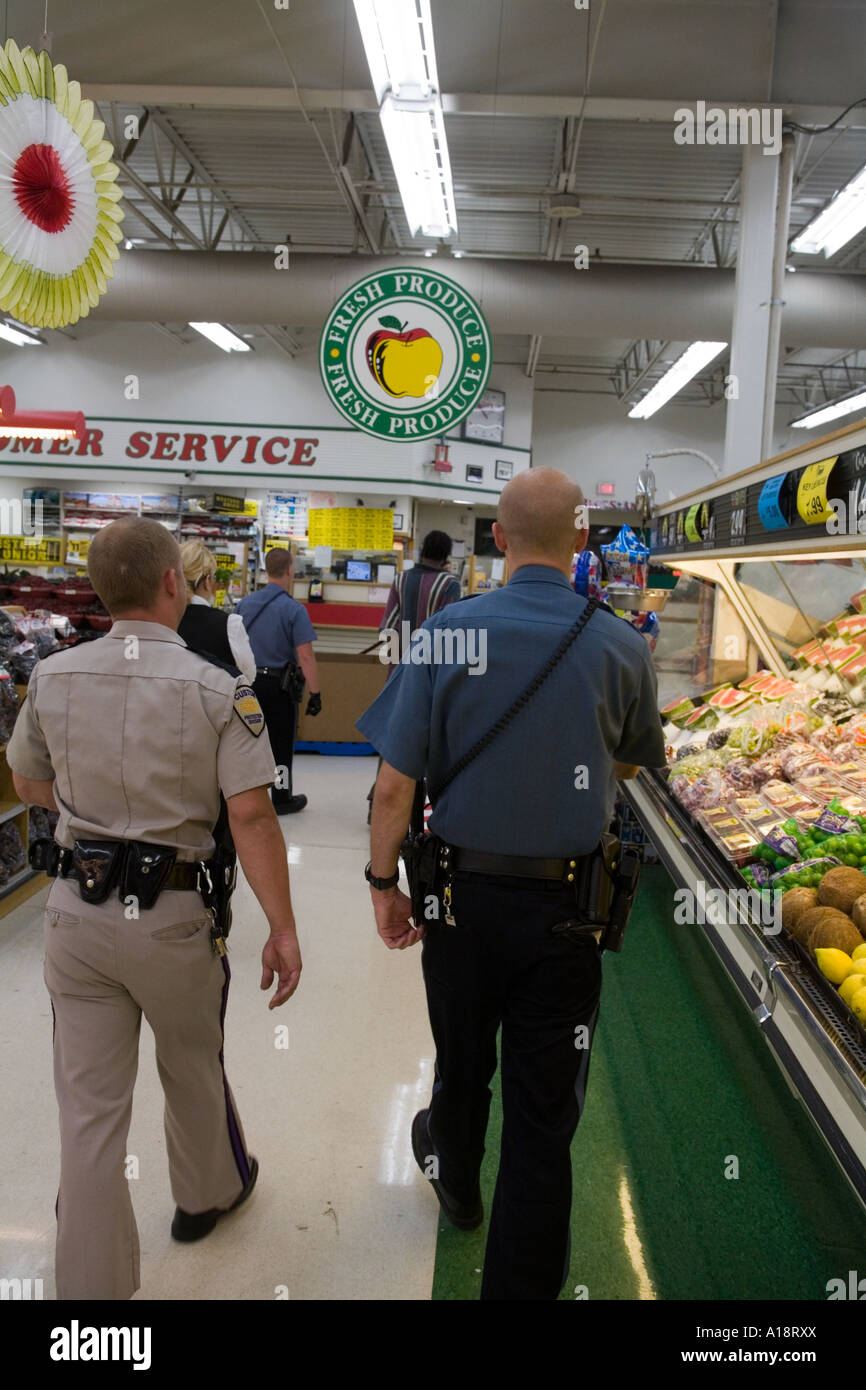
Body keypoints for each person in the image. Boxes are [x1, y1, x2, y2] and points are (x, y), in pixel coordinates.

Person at [356, 468, 667, 1301]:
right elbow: (631, 761)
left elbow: (394, 785)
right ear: (580, 543)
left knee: (462, 1063)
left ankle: (457, 1183)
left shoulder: (449, 633)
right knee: (543, 1112)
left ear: (497, 538)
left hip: (458, 903)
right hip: (568, 915)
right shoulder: (621, 643)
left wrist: (383, 882)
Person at [7, 517, 302, 1301]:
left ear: (101, 592)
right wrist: (283, 929)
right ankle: (204, 1195)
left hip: (74, 912)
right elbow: (250, 817)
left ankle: (91, 1299)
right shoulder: (218, 692)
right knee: (192, 1065)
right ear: (176, 581)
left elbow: (30, 785)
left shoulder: (53, 677)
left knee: (89, 1111)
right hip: (172, 916)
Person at [367, 530, 461, 821]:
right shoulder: (450, 584)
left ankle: (377, 805)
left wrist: (394, 668)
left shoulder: (400, 579)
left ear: (421, 550)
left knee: (393, 739)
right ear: (446, 555)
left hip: (399, 670)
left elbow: (388, 628)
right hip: (433, 672)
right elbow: (449, 632)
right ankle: (421, 810)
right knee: (431, 741)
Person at [237, 548, 321, 815]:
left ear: (266, 570)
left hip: (247, 685)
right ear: (289, 571)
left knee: (246, 741)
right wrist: (315, 693)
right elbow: (305, 656)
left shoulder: (244, 604)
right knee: (282, 745)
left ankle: (241, 792)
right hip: (279, 687)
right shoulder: (294, 610)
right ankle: (281, 798)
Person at [177, 537, 256, 682]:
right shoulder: (229, 624)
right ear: (207, 581)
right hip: (218, 703)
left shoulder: (165, 619)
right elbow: (249, 675)